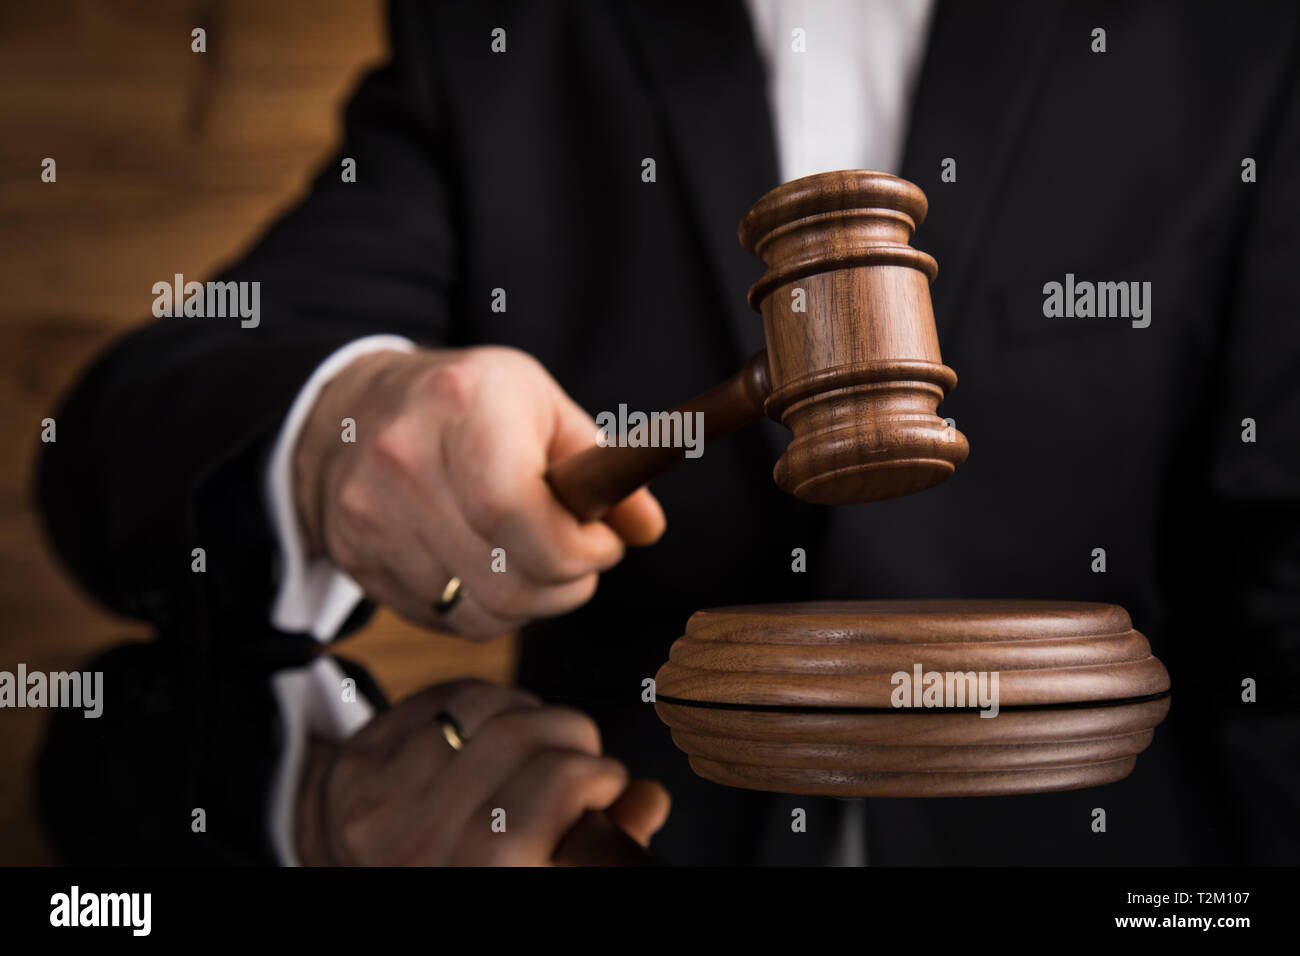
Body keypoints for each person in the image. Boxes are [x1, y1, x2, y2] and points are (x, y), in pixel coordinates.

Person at [36, 0, 1300, 865]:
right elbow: (121, 434)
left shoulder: (1232, 39)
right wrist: (343, 433)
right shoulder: (507, 35)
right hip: (603, 794)